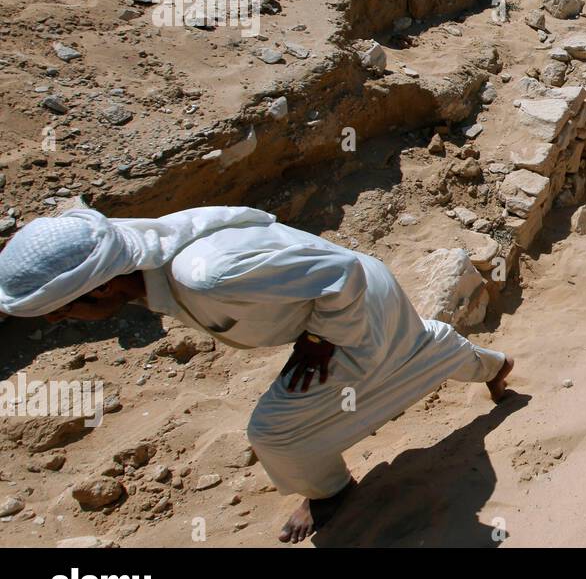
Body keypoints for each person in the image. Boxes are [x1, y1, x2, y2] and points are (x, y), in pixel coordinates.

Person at [0, 206, 514, 544]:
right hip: (348, 295)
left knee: (275, 432)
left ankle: (331, 492)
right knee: (413, 346)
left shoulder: (205, 273)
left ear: (101, 290)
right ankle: (489, 364)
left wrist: (317, 341)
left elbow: (341, 277)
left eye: (62, 312)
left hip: (347, 305)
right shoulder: (139, 243)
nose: (56, 322)